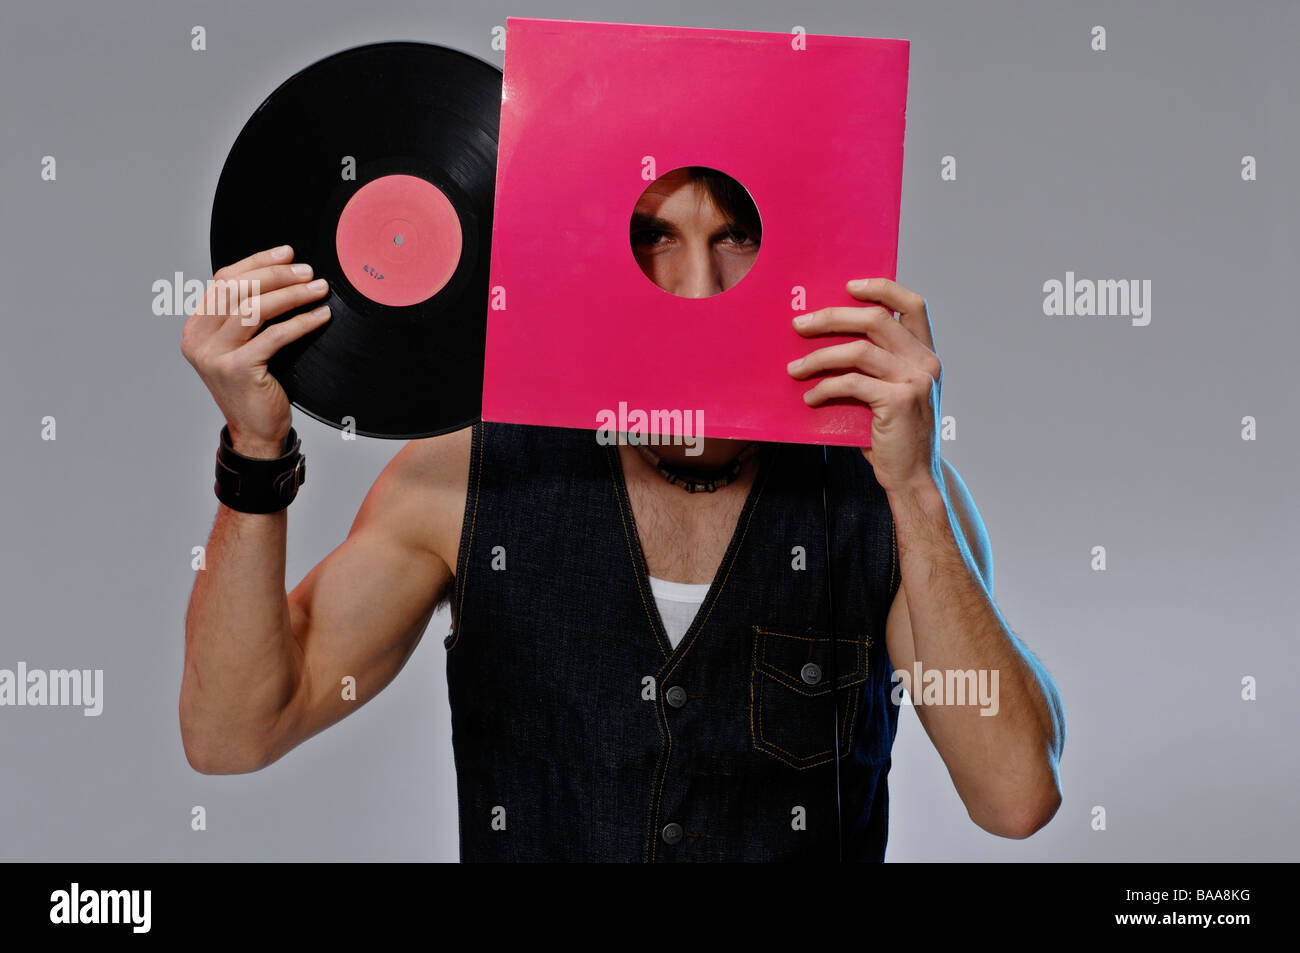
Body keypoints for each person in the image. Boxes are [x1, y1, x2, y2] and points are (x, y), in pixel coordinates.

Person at [179, 168, 1064, 862]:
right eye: (655, 238)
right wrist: (254, 455)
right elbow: (234, 729)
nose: (697, 283)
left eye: (736, 237)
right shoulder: (462, 478)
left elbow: (1015, 797)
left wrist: (915, 490)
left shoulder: (894, 501)